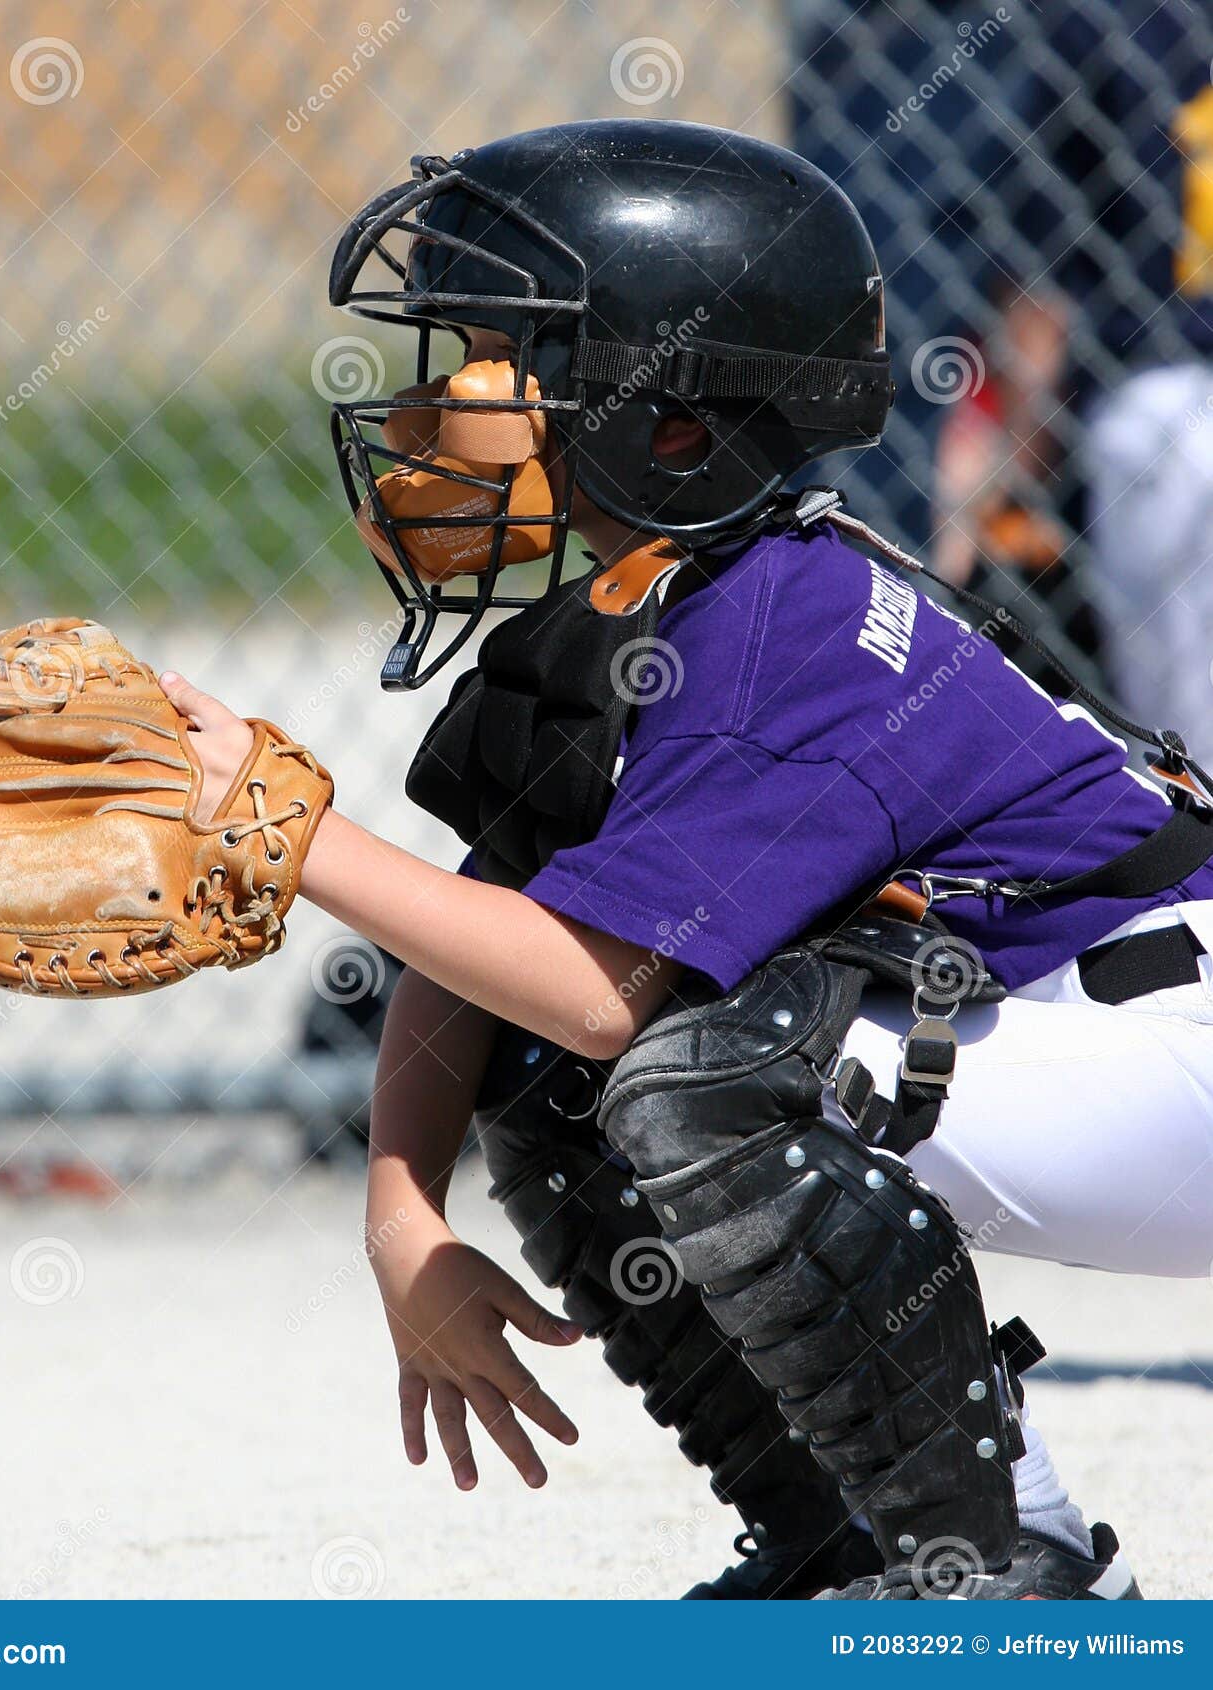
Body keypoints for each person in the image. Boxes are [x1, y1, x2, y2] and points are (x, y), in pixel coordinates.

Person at [160, 121, 1213, 1599]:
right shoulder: (647, 603)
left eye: (497, 361)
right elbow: (492, 936)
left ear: (666, 427)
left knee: (698, 1074)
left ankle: (1004, 1553)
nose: (428, 409)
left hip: (1173, 1046)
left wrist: (298, 837)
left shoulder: (786, 627)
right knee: (577, 1065)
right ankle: (845, 1533)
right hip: (1083, 1035)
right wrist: (402, 1214)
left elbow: (594, 993)